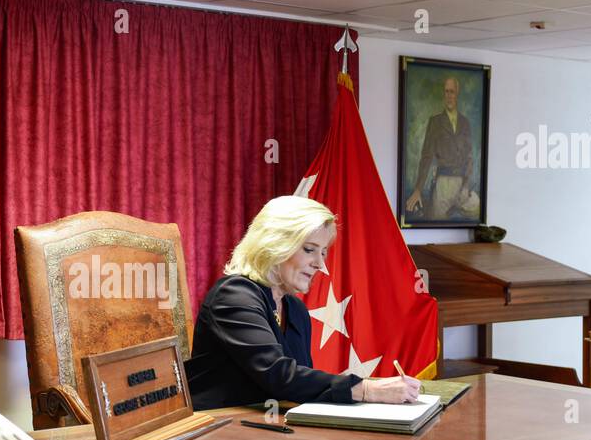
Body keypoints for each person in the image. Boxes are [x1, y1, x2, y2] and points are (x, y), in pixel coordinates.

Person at [185, 196, 420, 411]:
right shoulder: (234, 295)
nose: (320, 263)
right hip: (218, 432)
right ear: (274, 245)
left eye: (324, 253)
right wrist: (367, 390)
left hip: (273, 431)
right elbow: (280, 377)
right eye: (309, 250)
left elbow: (300, 386)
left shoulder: (295, 309)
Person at [407, 75, 480, 221]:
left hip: (462, 184)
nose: (449, 96)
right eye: (446, 91)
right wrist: (418, 189)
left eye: (452, 91)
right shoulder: (435, 122)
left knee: (477, 207)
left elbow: (469, 157)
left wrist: (466, 184)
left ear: (457, 92)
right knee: (436, 221)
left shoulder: (465, 122)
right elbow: (426, 157)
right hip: (443, 184)